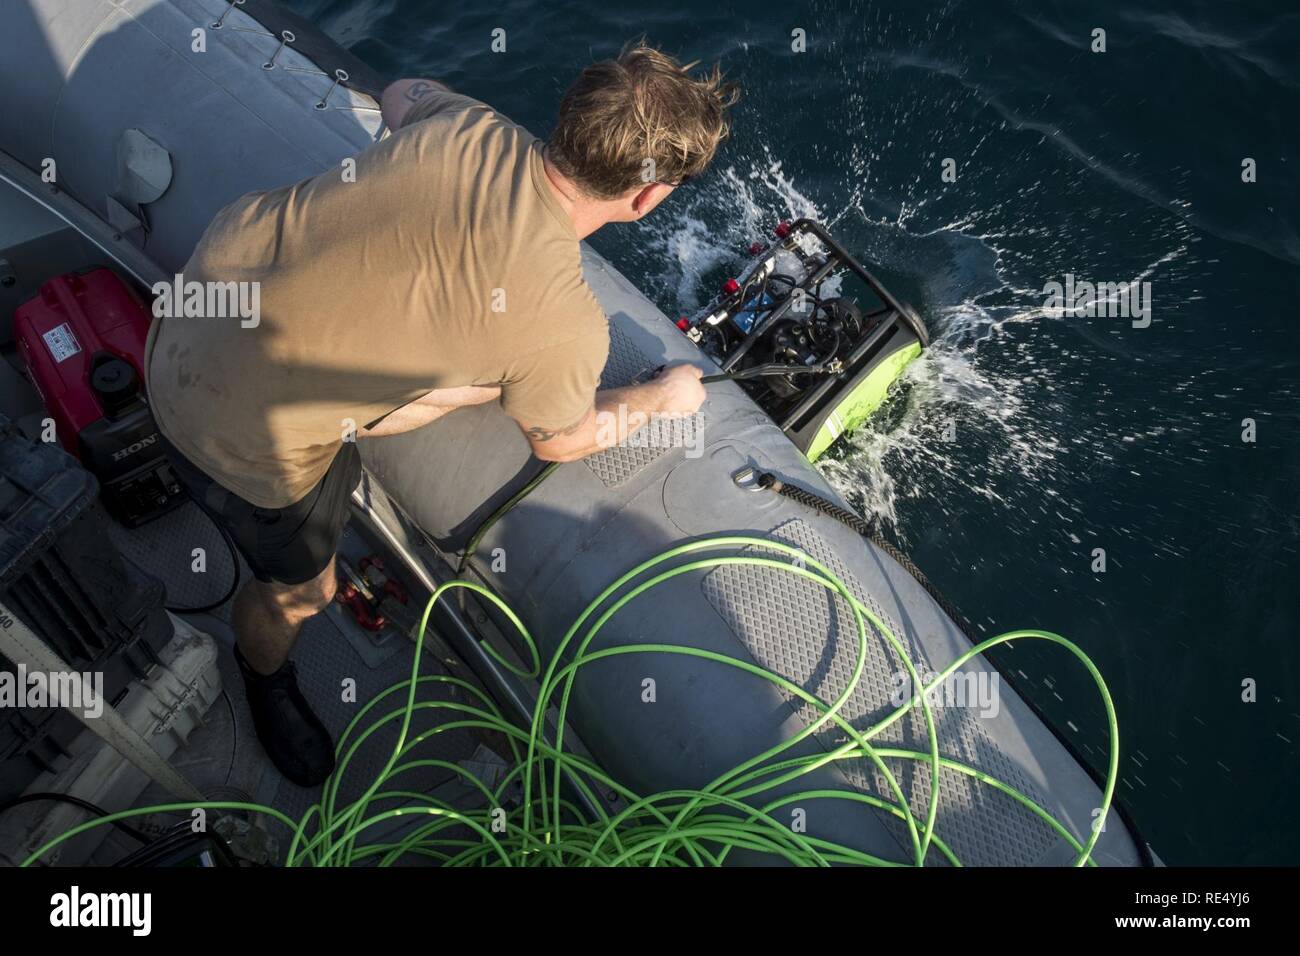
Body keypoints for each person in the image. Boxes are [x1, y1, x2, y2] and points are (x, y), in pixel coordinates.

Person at [144, 42, 738, 786]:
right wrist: (663, 396)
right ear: (650, 196)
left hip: (187, 309)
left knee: (469, 380)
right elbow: (561, 439)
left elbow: (399, 94)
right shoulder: (563, 325)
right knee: (307, 591)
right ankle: (263, 674)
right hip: (234, 432)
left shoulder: (470, 127)